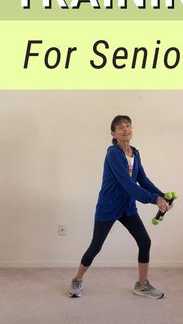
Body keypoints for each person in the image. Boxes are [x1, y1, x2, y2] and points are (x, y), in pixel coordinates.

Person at [68, 115, 171, 299]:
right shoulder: (113, 154)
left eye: (128, 126)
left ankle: (141, 285)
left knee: (144, 241)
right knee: (96, 246)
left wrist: (162, 195)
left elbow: (142, 180)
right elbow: (127, 184)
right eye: (121, 127)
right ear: (113, 133)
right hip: (108, 207)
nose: (126, 129)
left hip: (127, 208)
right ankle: (77, 279)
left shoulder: (135, 153)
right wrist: (154, 199)